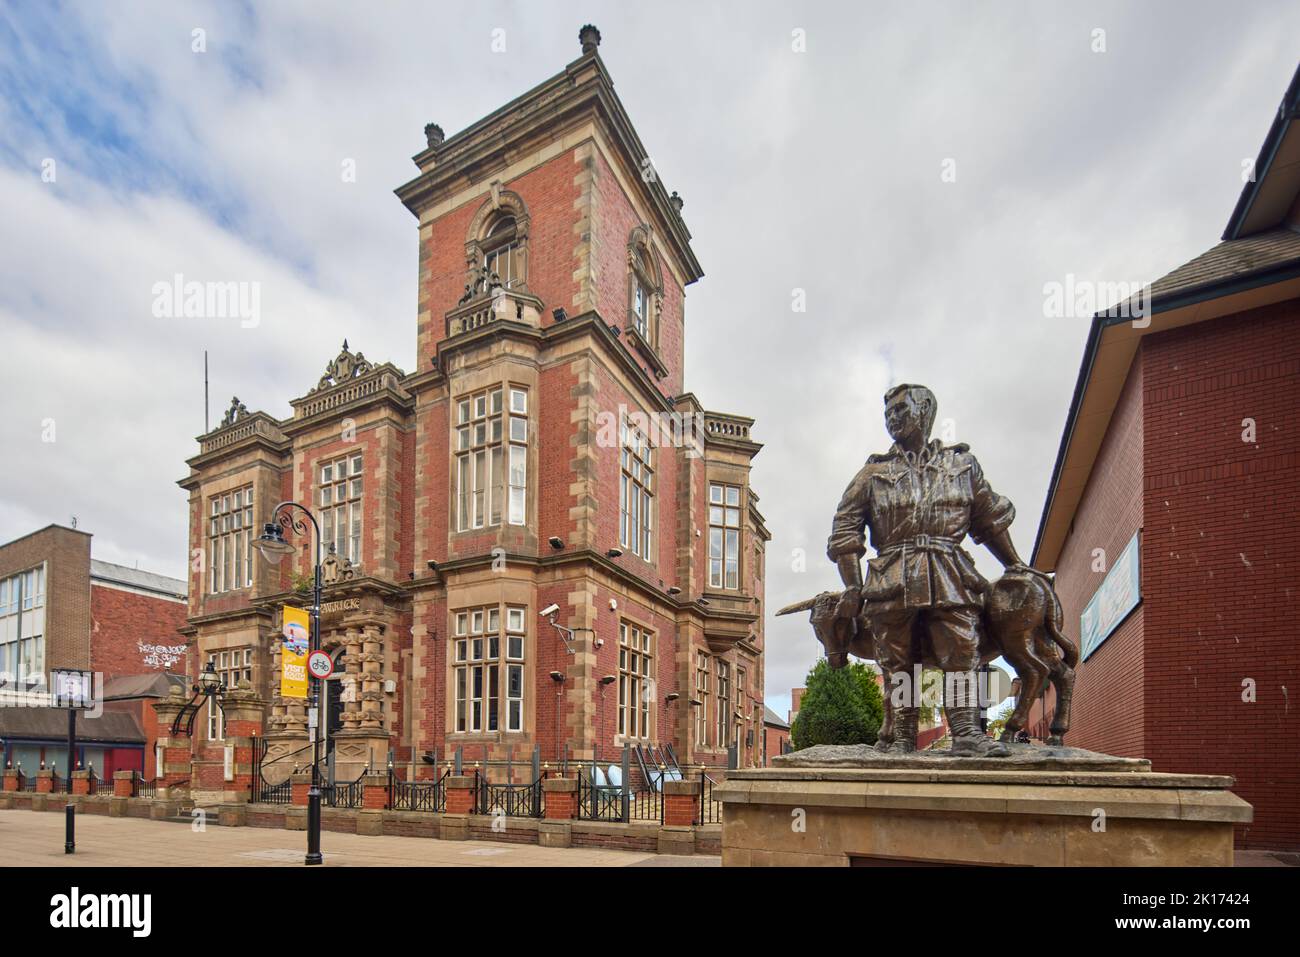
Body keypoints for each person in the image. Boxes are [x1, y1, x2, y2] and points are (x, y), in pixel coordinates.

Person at [827, 383, 1035, 756]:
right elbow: (845, 532)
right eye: (888, 413)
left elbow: (989, 520)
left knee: (961, 650)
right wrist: (853, 587)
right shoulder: (872, 473)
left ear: (925, 412)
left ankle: (967, 733)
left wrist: (1016, 565)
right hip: (892, 576)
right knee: (896, 659)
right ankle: (901, 736)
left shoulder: (962, 465)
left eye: (901, 411)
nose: (892, 420)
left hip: (949, 573)